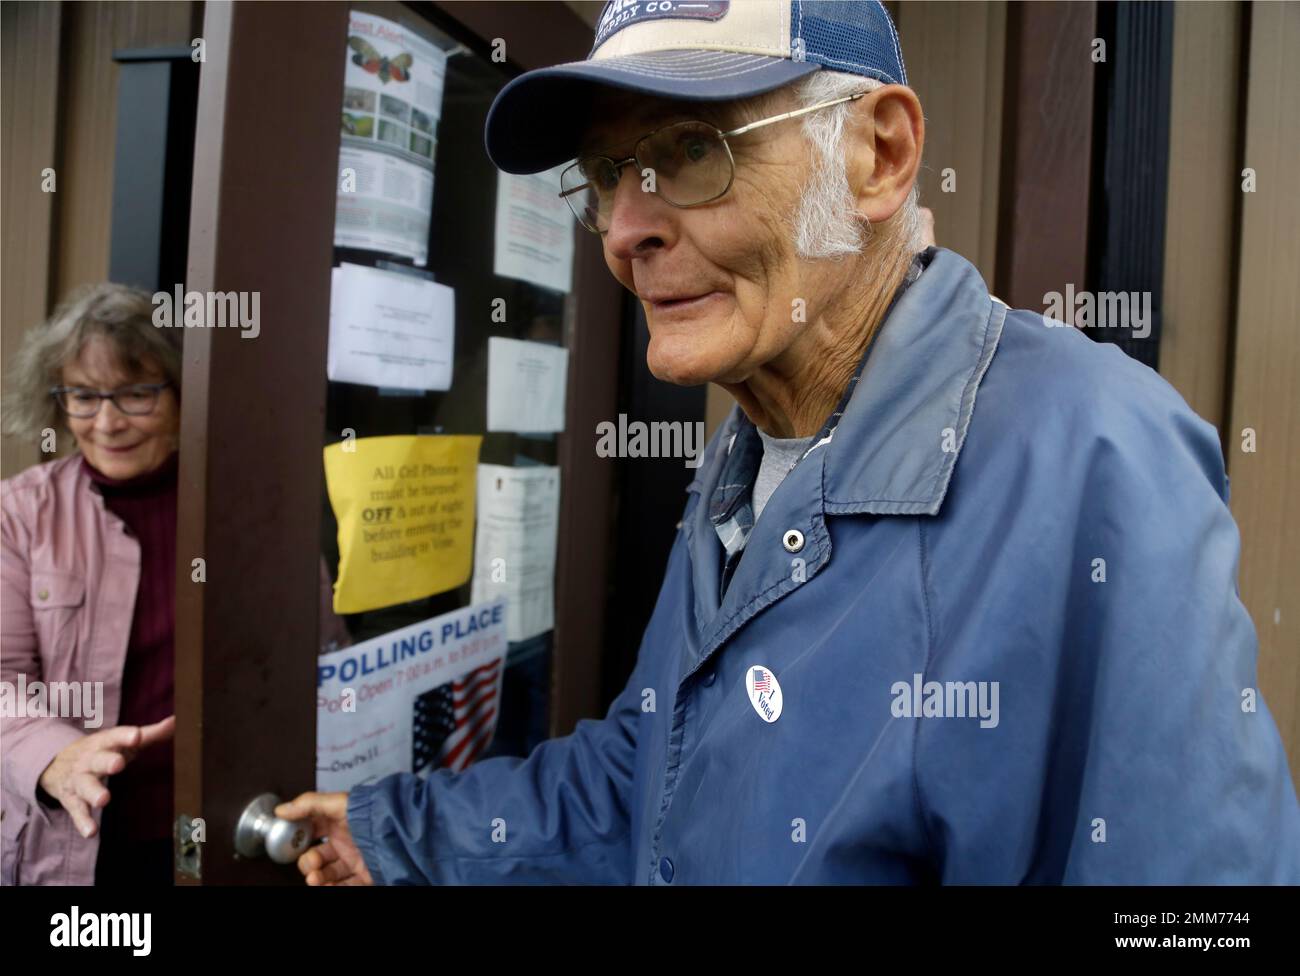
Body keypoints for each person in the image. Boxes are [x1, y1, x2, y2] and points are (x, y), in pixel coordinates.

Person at [280, 0, 1300, 885]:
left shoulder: (1094, 455)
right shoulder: (751, 448)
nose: (627, 225)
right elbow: (657, 773)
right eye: (604, 172)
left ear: (879, 155)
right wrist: (401, 832)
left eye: (689, 150)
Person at [1, 283, 347, 885]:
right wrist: (53, 756)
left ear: (184, 395)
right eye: (83, 396)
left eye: (136, 394)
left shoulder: (249, 509)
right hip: (72, 842)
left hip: (232, 825)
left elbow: (318, 658)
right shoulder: (21, 513)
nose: (107, 422)